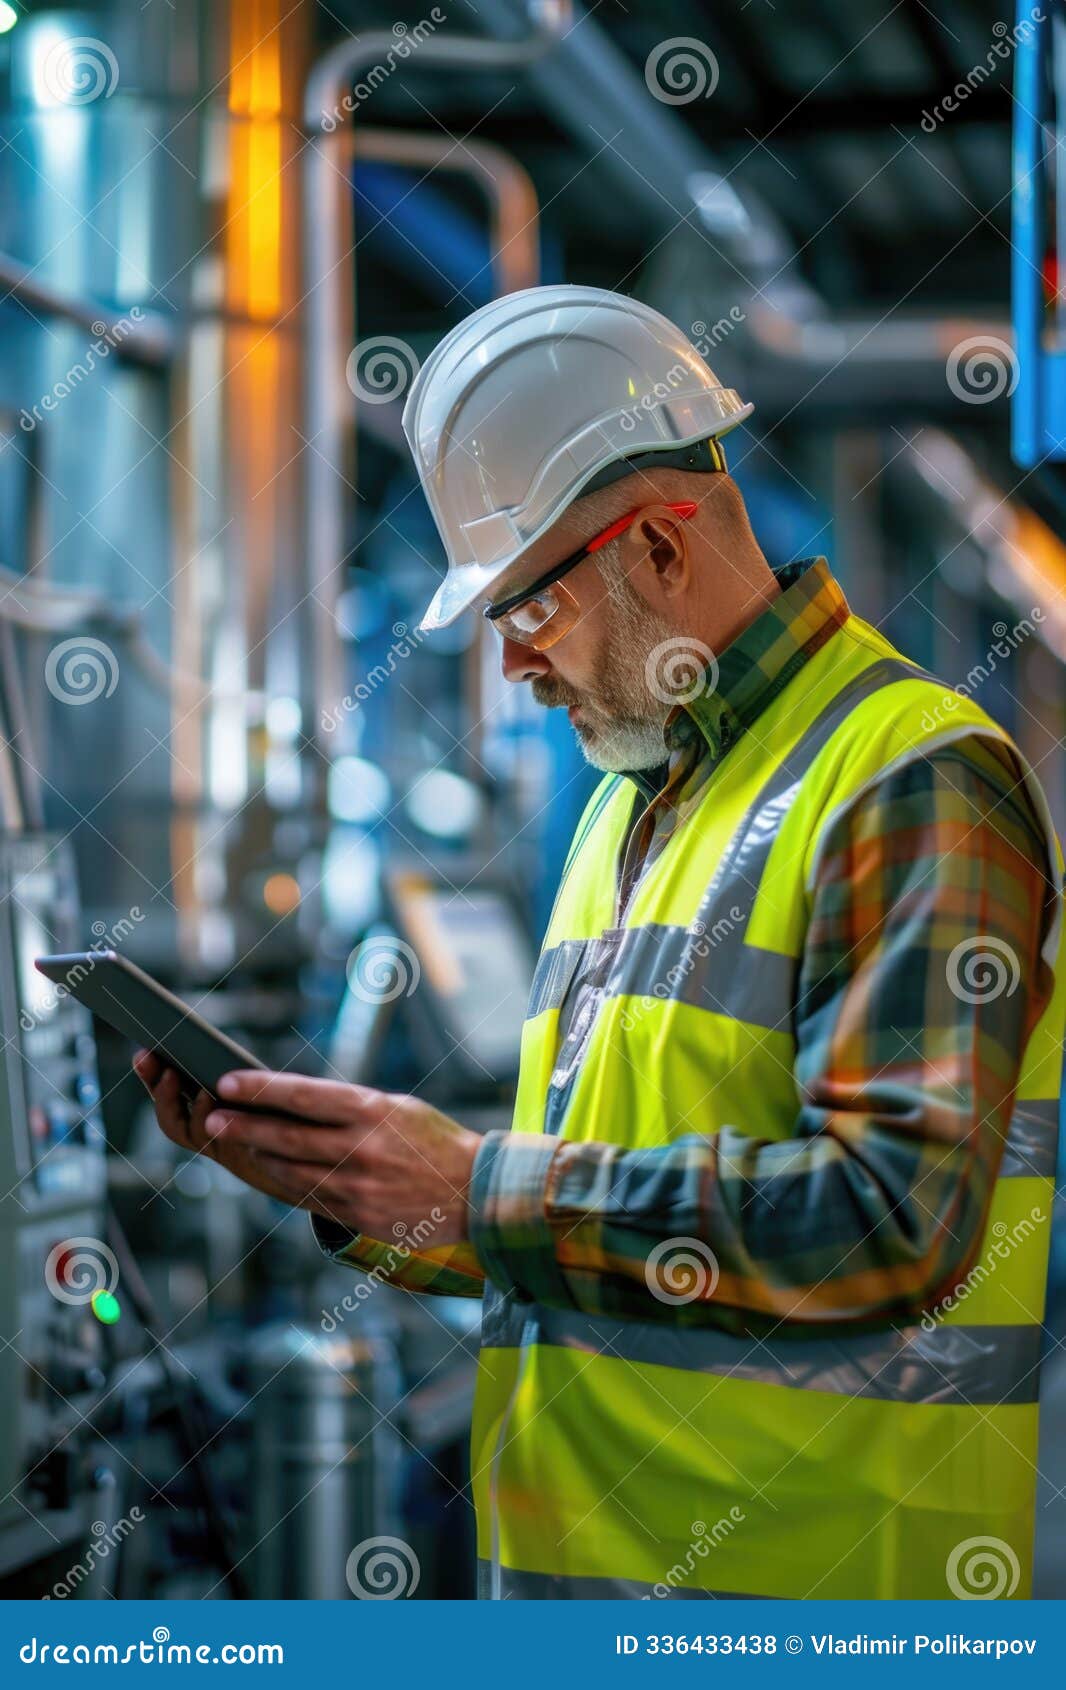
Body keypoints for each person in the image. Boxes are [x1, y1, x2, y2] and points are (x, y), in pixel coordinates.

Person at [137, 286, 1064, 1600]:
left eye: (527, 612)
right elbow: (571, 1226)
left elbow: (888, 1221)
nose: (514, 668)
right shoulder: (625, 817)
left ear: (657, 553)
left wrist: (476, 1186)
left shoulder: (903, 780)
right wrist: (353, 1182)